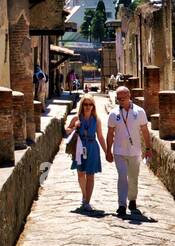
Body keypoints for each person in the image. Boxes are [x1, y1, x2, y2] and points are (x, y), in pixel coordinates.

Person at [105, 85, 152, 217]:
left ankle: (132, 199)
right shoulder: (114, 114)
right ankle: (121, 204)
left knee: (133, 177)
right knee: (122, 176)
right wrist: (108, 150)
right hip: (119, 151)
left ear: (129, 96)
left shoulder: (139, 112)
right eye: (118, 99)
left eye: (123, 98)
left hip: (135, 151)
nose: (121, 101)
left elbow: (145, 131)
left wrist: (148, 148)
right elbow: (110, 134)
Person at [65, 95, 106, 213]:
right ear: (82, 105)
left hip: (92, 147)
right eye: (85, 104)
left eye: (90, 104)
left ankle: (87, 201)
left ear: (93, 106)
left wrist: (107, 152)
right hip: (79, 147)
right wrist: (74, 127)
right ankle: (84, 195)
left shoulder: (96, 120)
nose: (88, 107)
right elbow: (67, 130)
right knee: (80, 174)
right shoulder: (76, 117)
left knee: (91, 175)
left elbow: (101, 137)